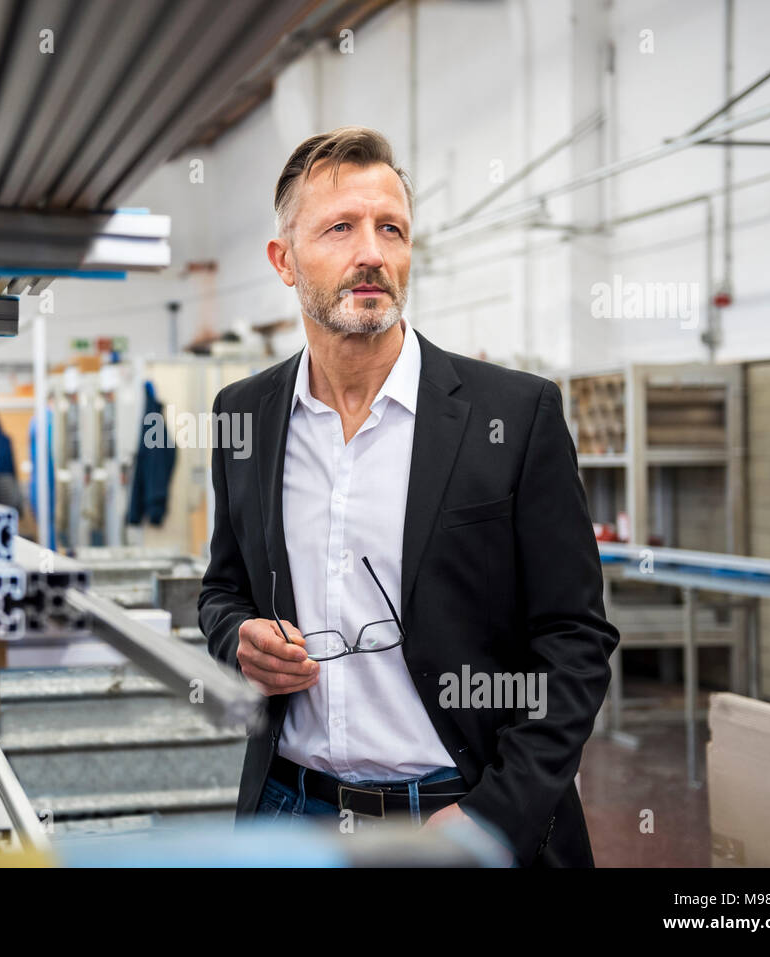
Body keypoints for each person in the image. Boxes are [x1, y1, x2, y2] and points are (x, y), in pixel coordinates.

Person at [198, 126, 619, 867]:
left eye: (390, 228)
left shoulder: (514, 415)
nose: (372, 253)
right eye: (340, 228)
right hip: (291, 808)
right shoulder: (246, 414)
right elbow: (222, 587)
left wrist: (494, 815)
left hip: (456, 807)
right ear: (284, 261)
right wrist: (241, 639)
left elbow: (576, 642)